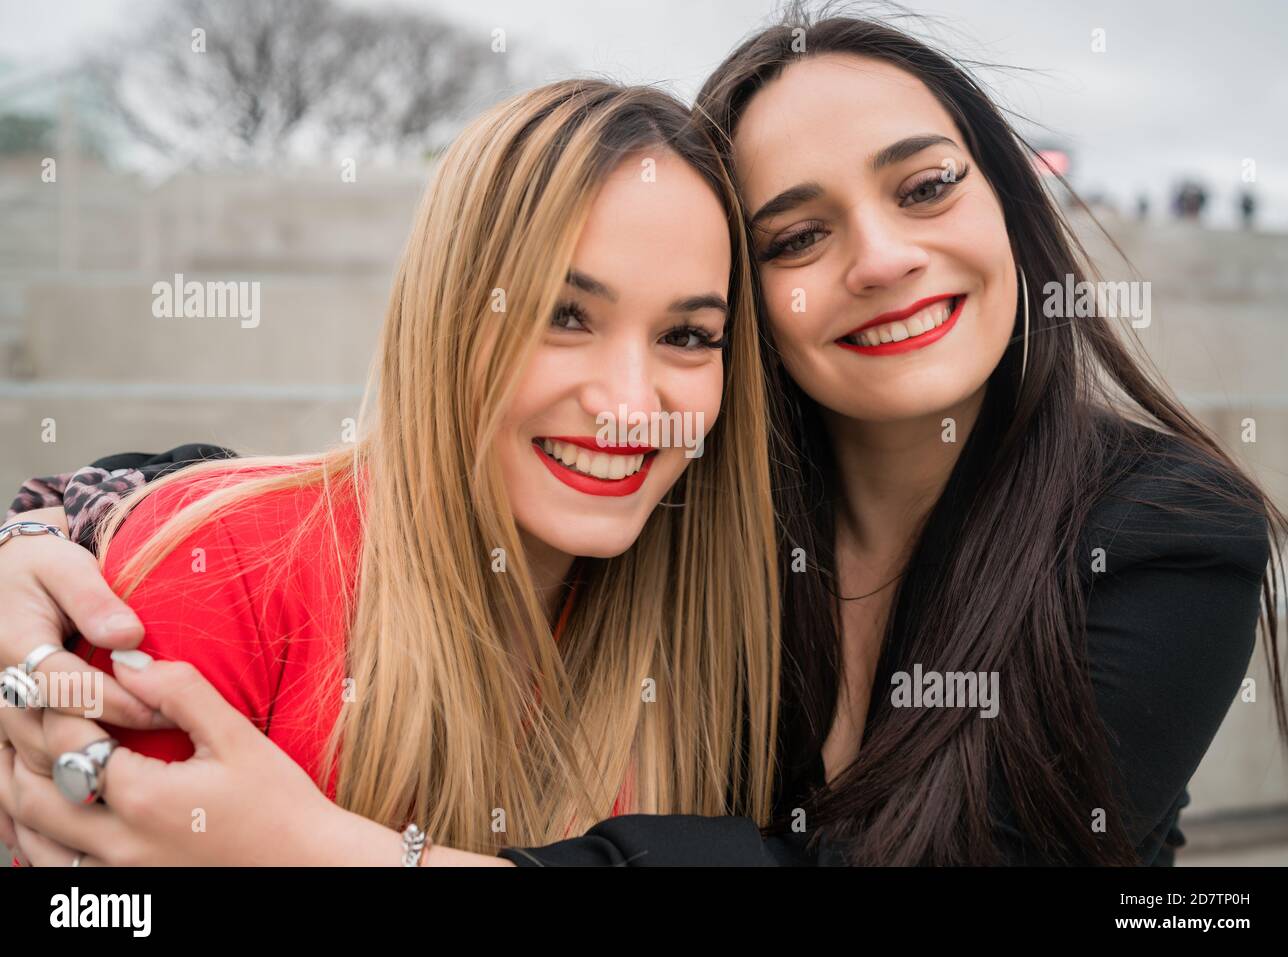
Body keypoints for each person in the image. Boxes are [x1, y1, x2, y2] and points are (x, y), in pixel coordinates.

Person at [2, 10, 1288, 867]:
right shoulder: (692, 510)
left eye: (925, 184)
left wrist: (342, 858)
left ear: (1009, 201)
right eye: (794, 235)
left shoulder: (1164, 540)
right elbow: (271, 523)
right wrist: (55, 525)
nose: (885, 258)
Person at [0, 78, 784, 866]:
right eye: (563, 314)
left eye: (687, 334)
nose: (629, 406)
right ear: (448, 311)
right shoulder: (223, 565)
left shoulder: (726, 629)